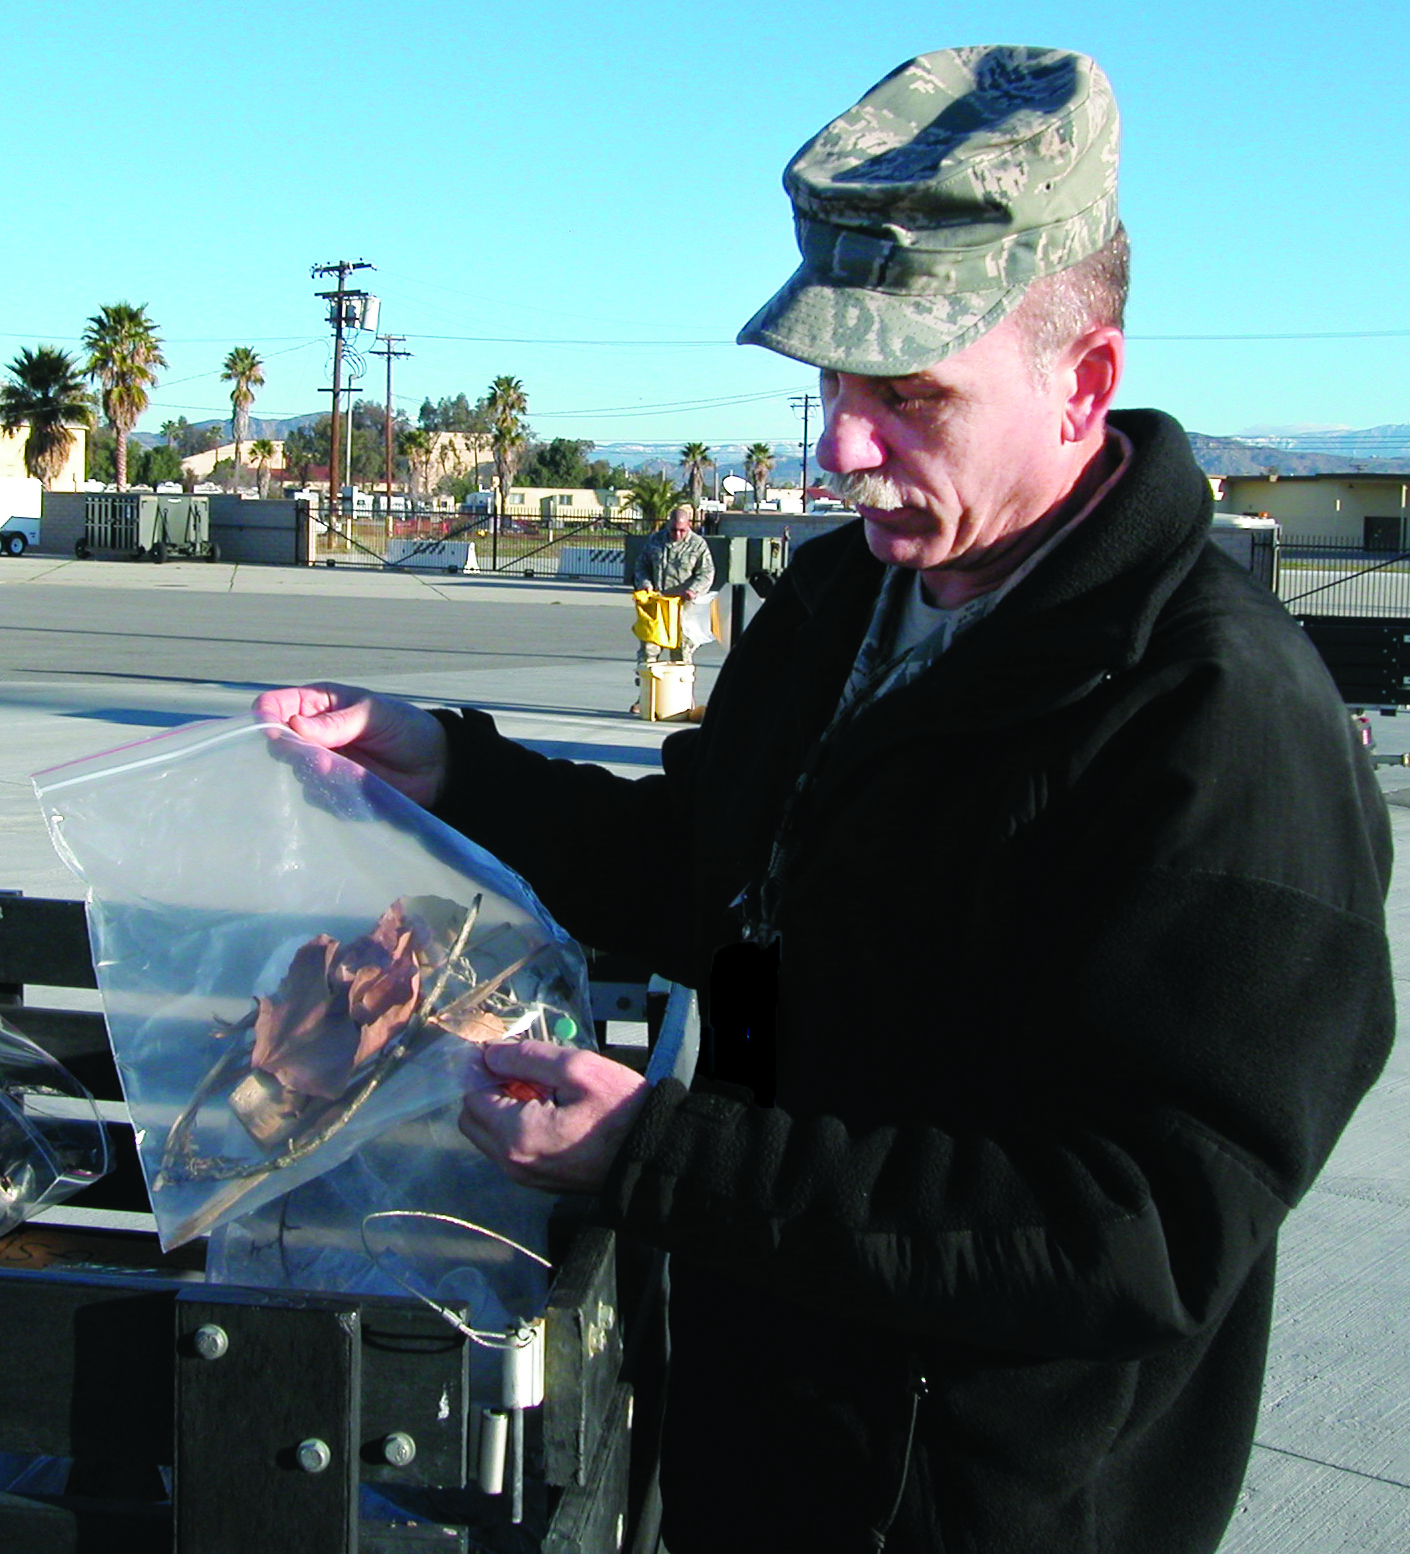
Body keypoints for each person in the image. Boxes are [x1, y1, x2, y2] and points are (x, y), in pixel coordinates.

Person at [256, 45, 1394, 1554]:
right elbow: (709, 870)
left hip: (973, 1508)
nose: (840, 448)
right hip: (752, 1447)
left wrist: (658, 1157)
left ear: (1083, 385)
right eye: (833, 386)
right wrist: (450, 768)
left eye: (911, 395)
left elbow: (1139, 1226)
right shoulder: (842, 599)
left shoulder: (1218, 724)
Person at [632, 503, 715, 679]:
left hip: (683, 607)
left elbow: (707, 573)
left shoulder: (697, 545)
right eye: (673, 530)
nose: (677, 534)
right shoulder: (656, 540)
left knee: (681, 654)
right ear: (668, 525)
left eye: (682, 531)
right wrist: (645, 584)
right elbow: (641, 565)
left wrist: (693, 590)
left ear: (689, 525)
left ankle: (681, 693)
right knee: (649, 651)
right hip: (657, 605)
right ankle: (646, 690)